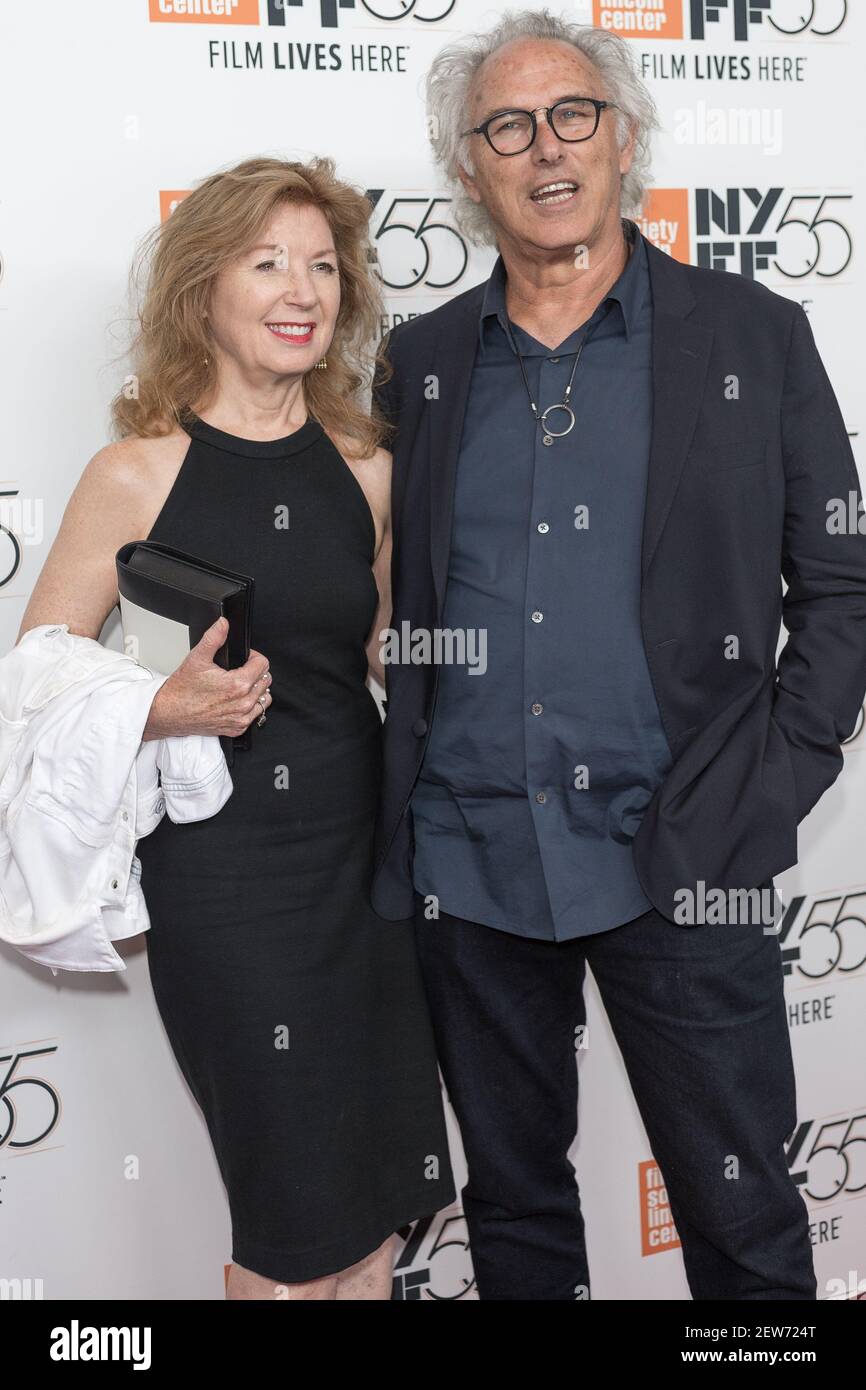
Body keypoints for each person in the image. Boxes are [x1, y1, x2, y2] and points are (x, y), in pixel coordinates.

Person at [371, 9, 866, 1300]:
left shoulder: (749, 334)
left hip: (682, 855)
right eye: (506, 126)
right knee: (517, 1210)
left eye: (572, 114)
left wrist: (776, 773)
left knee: (742, 1217)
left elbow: (839, 576)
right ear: (469, 166)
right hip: (467, 864)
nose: (545, 148)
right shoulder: (420, 362)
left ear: (623, 135)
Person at [16, 154, 455, 1300]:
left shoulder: (366, 469)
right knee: (290, 1201)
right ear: (202, 287)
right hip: (228, 888)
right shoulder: (136, 473)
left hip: (367, 867)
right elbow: (35, 677)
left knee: (371, 1194)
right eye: (266, 262)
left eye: (321, 265)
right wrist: (160, 706)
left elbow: (380, 654)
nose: (300, 288)